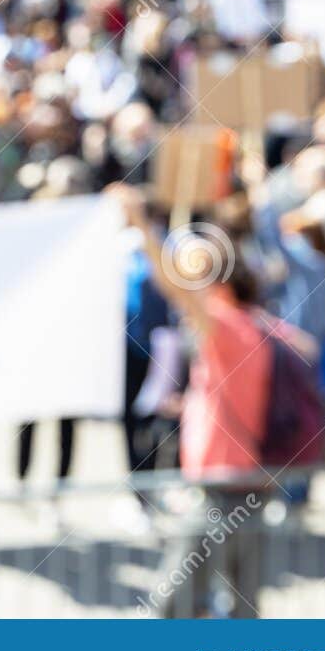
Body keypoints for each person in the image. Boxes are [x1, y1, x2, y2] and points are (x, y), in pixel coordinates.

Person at [110, 184, 275, 618]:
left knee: (169, 605)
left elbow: (174, 290)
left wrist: (144, 228)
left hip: (222, 486)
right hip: (254, 478)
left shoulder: (225, 325)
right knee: (241, 606)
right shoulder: (262, 327)